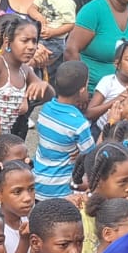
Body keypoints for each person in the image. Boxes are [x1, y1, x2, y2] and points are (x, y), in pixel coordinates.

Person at [32, 62, 94, 200]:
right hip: (61, 191)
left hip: (37, 184)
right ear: (82, 90)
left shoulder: (45, 109)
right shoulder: (79, 124)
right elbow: (91, 156)